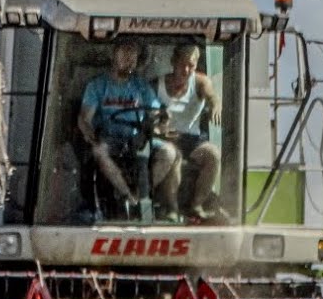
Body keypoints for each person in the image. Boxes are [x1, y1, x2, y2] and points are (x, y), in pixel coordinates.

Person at [78, 40, 181, 221]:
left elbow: (156, 111)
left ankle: (140, 196)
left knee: (169, 152)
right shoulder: (97, 86)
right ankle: (129, 197)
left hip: (137, 139)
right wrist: (89, 133)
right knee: (99, 151)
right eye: (125, 53)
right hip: (110, 139)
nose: (130, 59)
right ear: (113, 55)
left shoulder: (141, 86)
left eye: (133, 55)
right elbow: (84, 118)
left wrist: (163, 118)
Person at [155, 44, 224, 220]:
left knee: (213, 154)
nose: (186, 70)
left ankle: (197, 205)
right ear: (173, 62)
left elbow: (212, 96)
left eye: (191, 65)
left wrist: (215, 106)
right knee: (174, 155)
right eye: (182, 64)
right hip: (165, 139)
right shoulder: (157, 84)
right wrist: (158, 125)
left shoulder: (200, 82)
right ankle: (172, 208)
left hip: (193, 140)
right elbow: (149, 113)